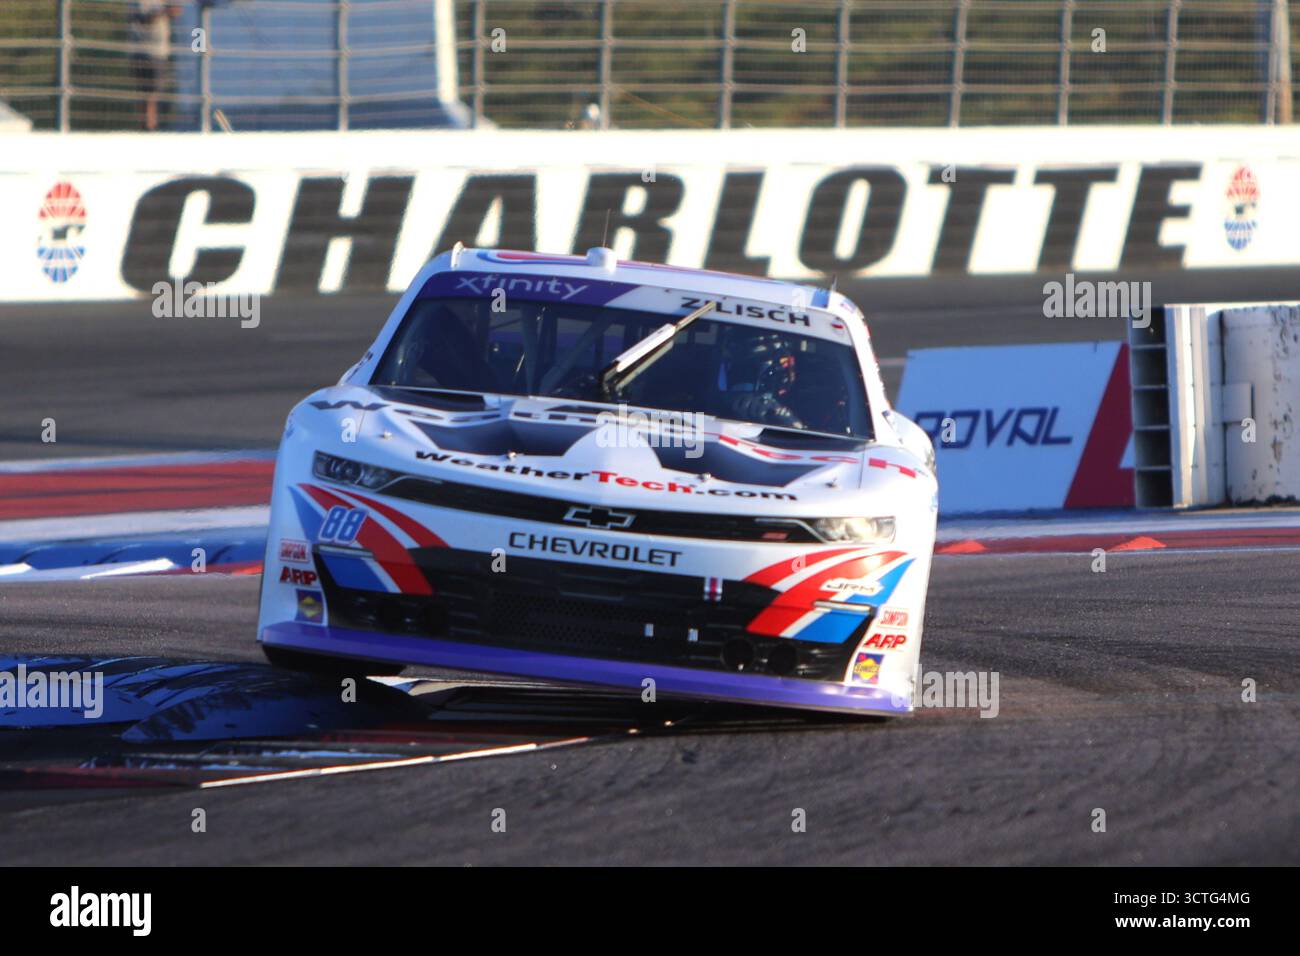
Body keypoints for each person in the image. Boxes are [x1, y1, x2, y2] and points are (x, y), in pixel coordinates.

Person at [131, 1, 181, 131]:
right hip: (143, 52)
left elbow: (176, 12)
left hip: (160, 52)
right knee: (148, 94)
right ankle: (148, 128)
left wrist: (171, 9)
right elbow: (143, 20)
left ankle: (150, 126)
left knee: (154, 93)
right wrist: (163, 11)